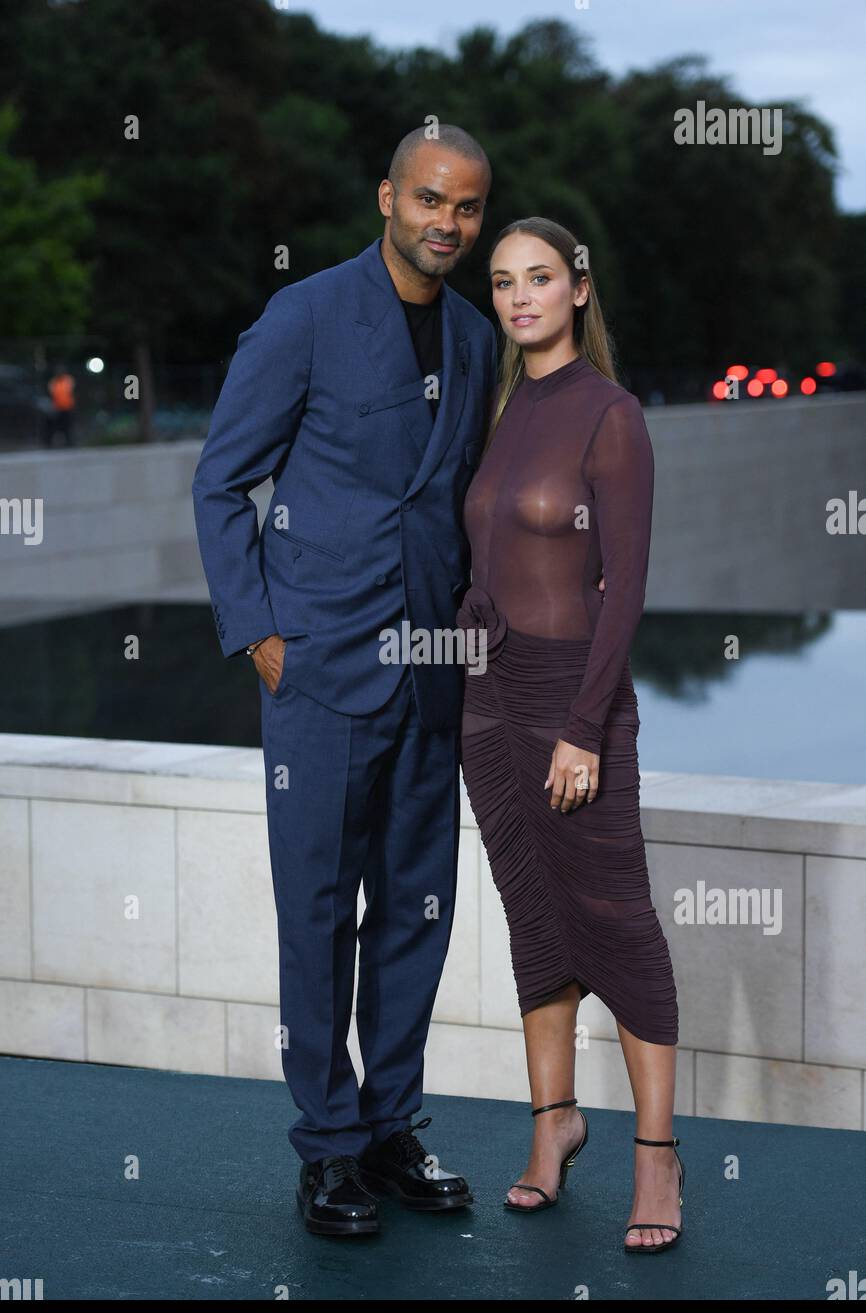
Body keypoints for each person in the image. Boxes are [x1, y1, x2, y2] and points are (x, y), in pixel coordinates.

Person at [192, 126, 498, 1237]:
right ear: (387, 196)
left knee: (417, 911)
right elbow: (222, 480)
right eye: (428, 200)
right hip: (318, 669)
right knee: (316, 915)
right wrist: (258, 634)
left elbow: (454, 508)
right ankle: (324, 1148)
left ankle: (388, 1125)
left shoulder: (472, 338)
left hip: (429, 678)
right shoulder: (306, 316)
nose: (444, 223)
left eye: (464, 209)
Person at [457, 217, 684, 1253]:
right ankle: (551, 1130)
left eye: (538, 277)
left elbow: (623, 587)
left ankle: (655, 1158)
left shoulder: (609, 415)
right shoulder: (505, 408)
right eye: (502, 282)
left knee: (618, 924)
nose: (518, 297)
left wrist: (585, 726)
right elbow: (487, 557)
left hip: (571, 701)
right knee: (532, 920)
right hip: (489, 698)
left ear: (577, 289)